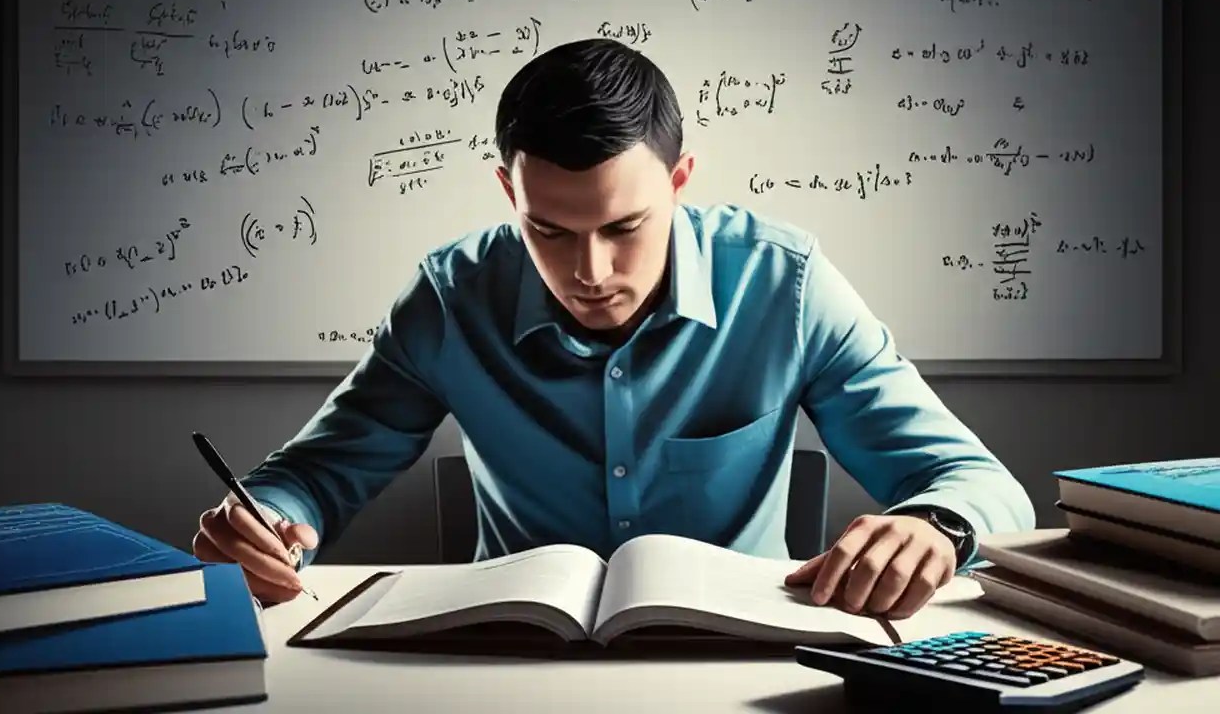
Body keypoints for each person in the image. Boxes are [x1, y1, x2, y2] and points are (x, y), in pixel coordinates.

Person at [192, 38, 1035, 618]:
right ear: (507, 195)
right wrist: (260, 522)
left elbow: (981, 485)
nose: (590, 271)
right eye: (548, 233)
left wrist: (938, 526)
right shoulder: (450, 296)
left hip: (742, 663)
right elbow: (316, 474)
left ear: (680, 181)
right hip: (511, 665)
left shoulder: (788, 285)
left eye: (625, 226)